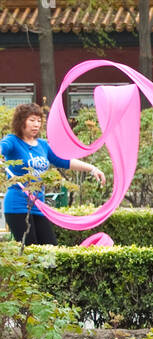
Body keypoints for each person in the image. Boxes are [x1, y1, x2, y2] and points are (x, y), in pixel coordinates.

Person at [3, 103, 106, 245]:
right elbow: (3, 147)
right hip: (17, 206)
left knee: (50, 249)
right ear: (21, 121)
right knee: (29, 252)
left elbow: (64, 161)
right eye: (32, 120)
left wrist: (92, 168)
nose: (36, 125)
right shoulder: (12, 141)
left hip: (38, 206)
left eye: (39, 121)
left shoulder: (42, 145)